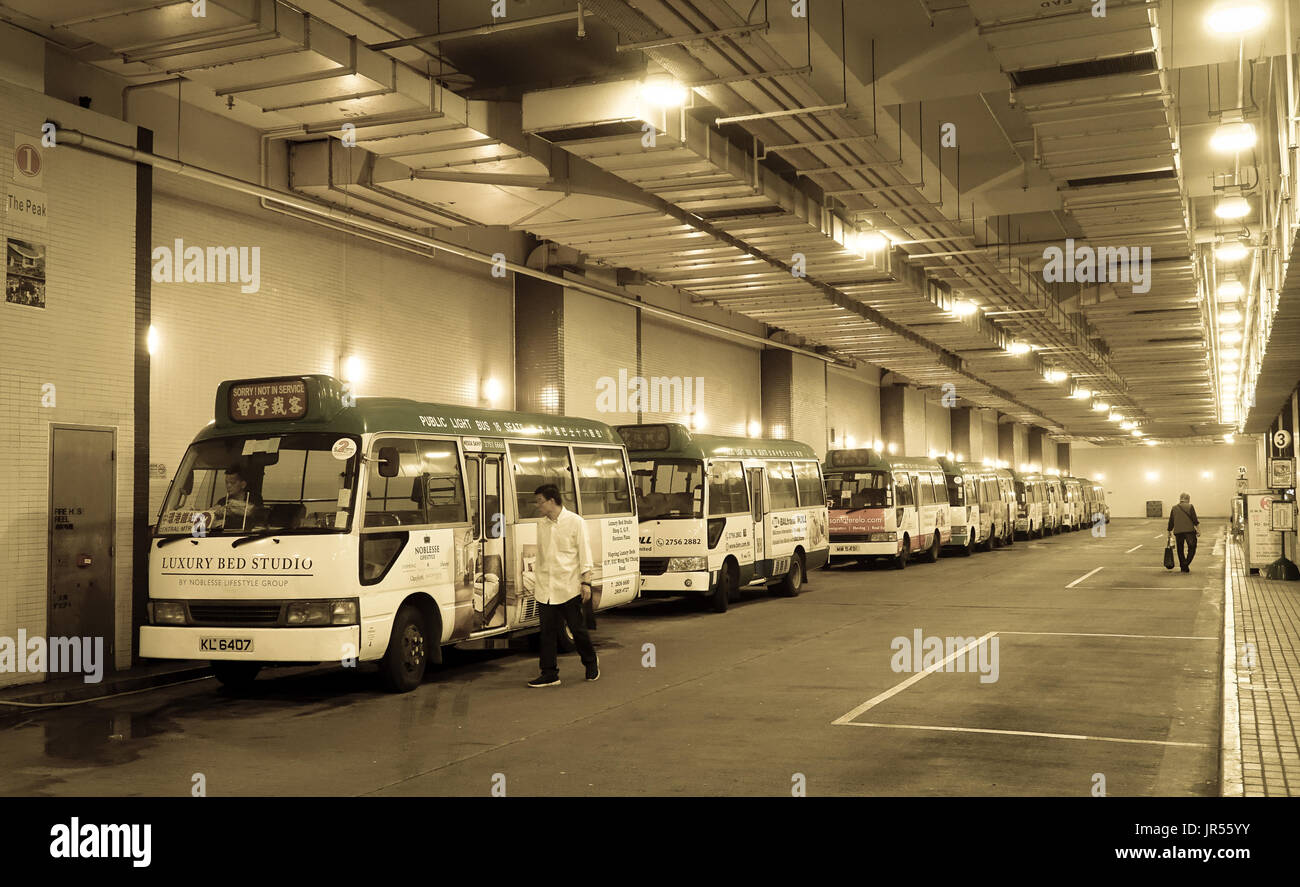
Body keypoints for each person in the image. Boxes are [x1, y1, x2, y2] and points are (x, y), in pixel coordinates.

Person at [527, 484, 600, 687]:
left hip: (569, 585)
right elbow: (541, 554)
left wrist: (586, 582)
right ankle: (549, 673)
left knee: (577, 629)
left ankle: (590, 662)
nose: (537, 505)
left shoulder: (575, 522)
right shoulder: (541, 525)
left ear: (552, 501)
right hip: (545, 586)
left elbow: (584, 553)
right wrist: (536, 578)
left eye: (540, 501)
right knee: (547, 632)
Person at [216, 465, 262, 530]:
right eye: (226, 482)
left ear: (243, 485)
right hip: (225, 537)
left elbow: (253, 512)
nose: (228, 486)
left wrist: (232, 508)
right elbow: (213, 514)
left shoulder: (254, 499)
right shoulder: (223, 501)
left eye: (232, 483)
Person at [1167, 492, 1200, 572]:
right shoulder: (1190, 506)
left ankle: (1183, 566)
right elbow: (1194, 519)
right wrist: (1198, 530)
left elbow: (1171, 520)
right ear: (1187, 499)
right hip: (1189, 531)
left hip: (1178, 531)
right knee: (1192, 547)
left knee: (1180, 549)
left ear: (1180, 498)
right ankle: (1185, 563)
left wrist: (1169, 530)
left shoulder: (1174, 508)